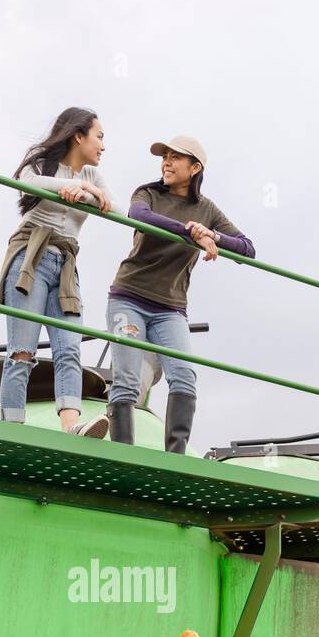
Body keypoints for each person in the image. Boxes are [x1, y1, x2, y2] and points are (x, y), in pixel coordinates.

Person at [105, 135, 256, 452]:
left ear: (195, 167)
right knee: (128, 379)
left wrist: (211, 234)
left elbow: (247, 248)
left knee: (185, 376)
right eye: (165, 157)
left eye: (175, 157)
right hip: (129, 298)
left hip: (170, 309)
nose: (167, 162)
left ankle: (174, 457)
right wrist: (191, 232)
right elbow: (139, 216)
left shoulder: (207, 209)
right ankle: (122, 454)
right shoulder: (147, 192)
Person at [0, 107, 118, 437]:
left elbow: (115, 208)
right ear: (79, 136)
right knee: (22, 351)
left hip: (65, 266)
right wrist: (75, 186)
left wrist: (89, 193)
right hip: (31, 260)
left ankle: (72, 427)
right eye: (99, 137)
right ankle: (12, 429)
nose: (103, 146)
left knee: (70, 349)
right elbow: (27, 182)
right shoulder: (42, 162)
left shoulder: (94, 178)